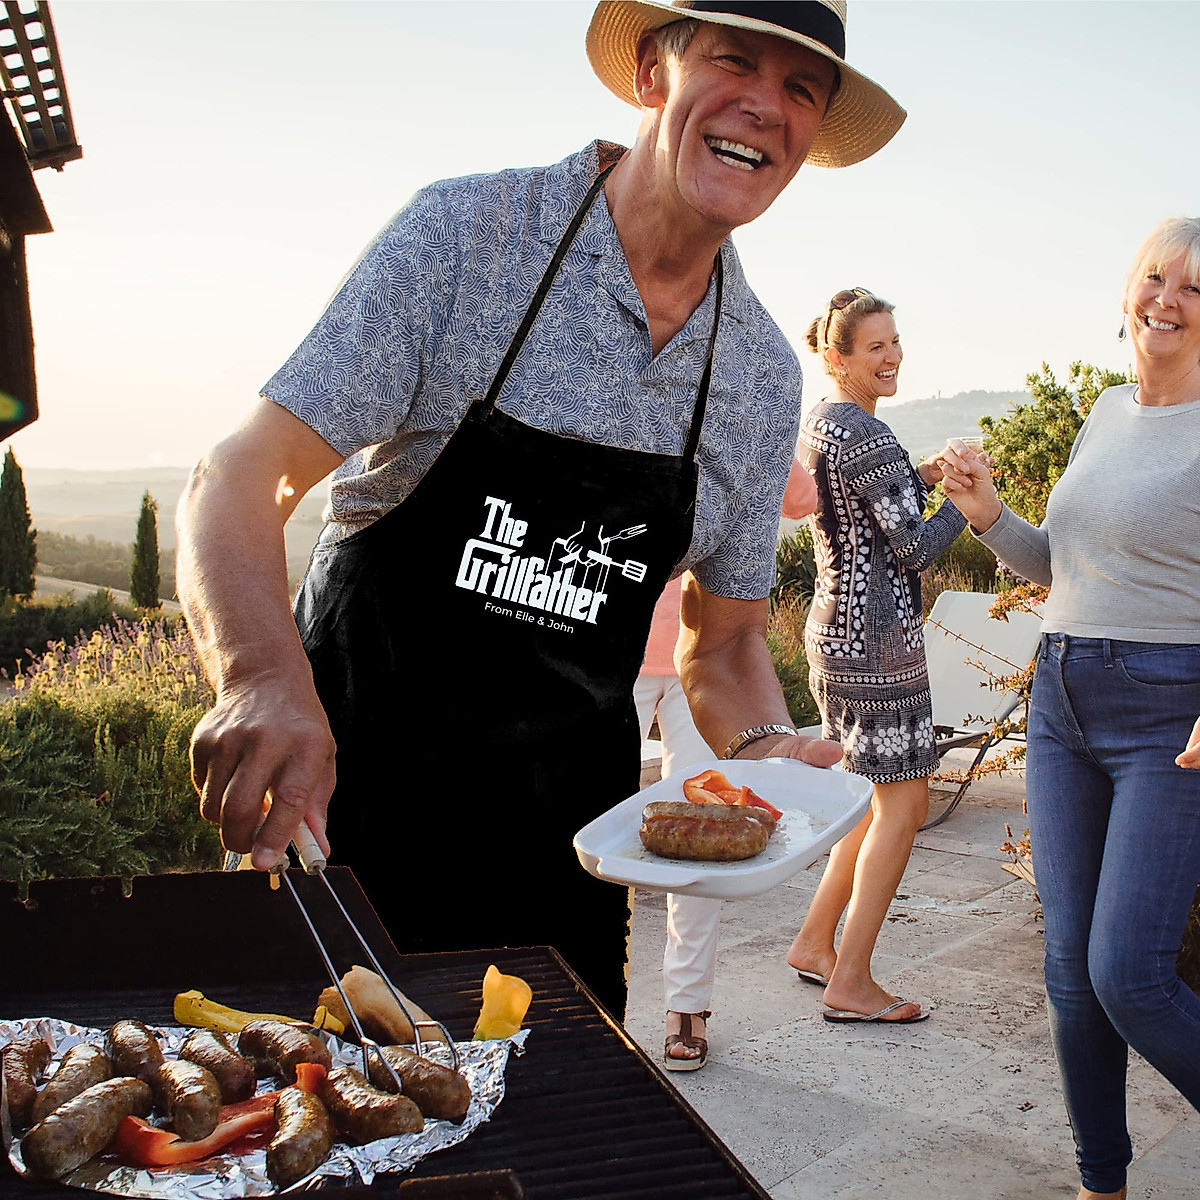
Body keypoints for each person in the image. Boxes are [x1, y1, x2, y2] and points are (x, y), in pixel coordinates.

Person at [175, 1, 905, 1020]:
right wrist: (259, 677)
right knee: (313, 1099)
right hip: (343, 820)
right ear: (652, 71)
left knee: (552, 1102)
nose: (764, 106)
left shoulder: (756, 371)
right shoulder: (468, 240)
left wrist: (763, 751)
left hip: (565, 859)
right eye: (734, 61)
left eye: (800, 88)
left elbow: (729, 644)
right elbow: (242, 475)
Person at [939, 216, 1200, 1200]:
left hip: (1171, 717)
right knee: (1070, 972)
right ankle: (1103, 1185)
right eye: (1155, 277)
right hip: (1061, 700)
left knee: (1129, 973)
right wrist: (986, 514)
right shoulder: (1104, 410)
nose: (1167, 300)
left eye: (1194, 288)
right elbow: (1063, 566)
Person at [784, 289, 967, 1023]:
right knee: (906, 802)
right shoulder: (869, 433)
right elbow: (915, 547)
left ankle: (814, 943)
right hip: (880, 647)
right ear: (837, 357)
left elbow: (862, 503)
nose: (892, 357)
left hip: (832, 634)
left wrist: (922, 477)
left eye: (894, 342)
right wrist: (966, 501)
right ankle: (852, 981)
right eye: (875, 347)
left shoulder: (823, 422)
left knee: (865, 799)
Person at [638, 459, 817, 1070]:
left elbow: (799, 498)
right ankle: (569, 994)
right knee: (582, 831)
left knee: (699, 837)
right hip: (605, 653)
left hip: (705, 662)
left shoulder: (738, 411)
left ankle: (686, 1004)